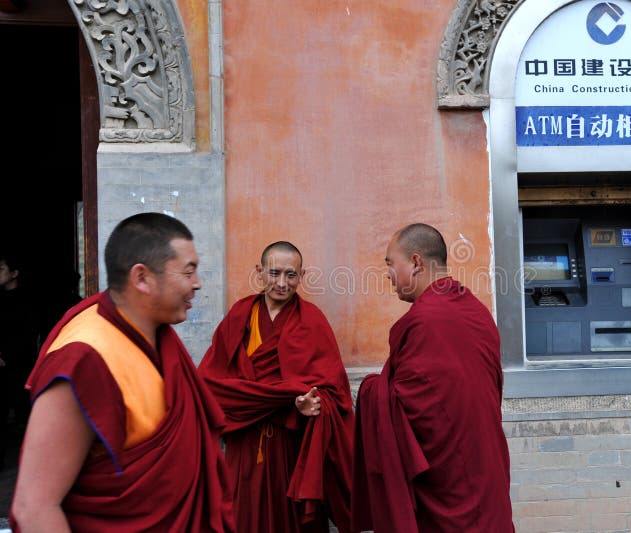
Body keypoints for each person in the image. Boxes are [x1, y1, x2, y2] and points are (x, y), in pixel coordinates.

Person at [10, 212, 235, 532]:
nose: (197, 283)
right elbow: (34, 507)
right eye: (189, 271)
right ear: (142, 278)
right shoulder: (85, 358)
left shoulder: (157, 335)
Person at [351, 223, 515, 533]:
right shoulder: (475, 309)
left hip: (449, 482)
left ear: (415, 263)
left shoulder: (424, 321)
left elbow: (415, 409)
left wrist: (371, 390)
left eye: (390, 264)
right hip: (486, 464)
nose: (388, 275)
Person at [199, 241, 354, 533]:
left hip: (290, 446)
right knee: (242, 515)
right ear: (259, 272)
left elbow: (335, 390)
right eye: (274, 273)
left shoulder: (312, 321)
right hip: (243, 441)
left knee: (289, 520)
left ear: (302, 275)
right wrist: (283, 399)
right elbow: (212, 381)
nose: (282, 283)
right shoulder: (239, 316)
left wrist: (313, 402)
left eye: (291, 275)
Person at [0, 251, 39, 471]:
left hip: (17, 365)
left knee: (24, 414)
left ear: (14, 273)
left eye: (2, 269)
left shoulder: (26, 301)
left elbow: (27, 333)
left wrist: (6, 356)